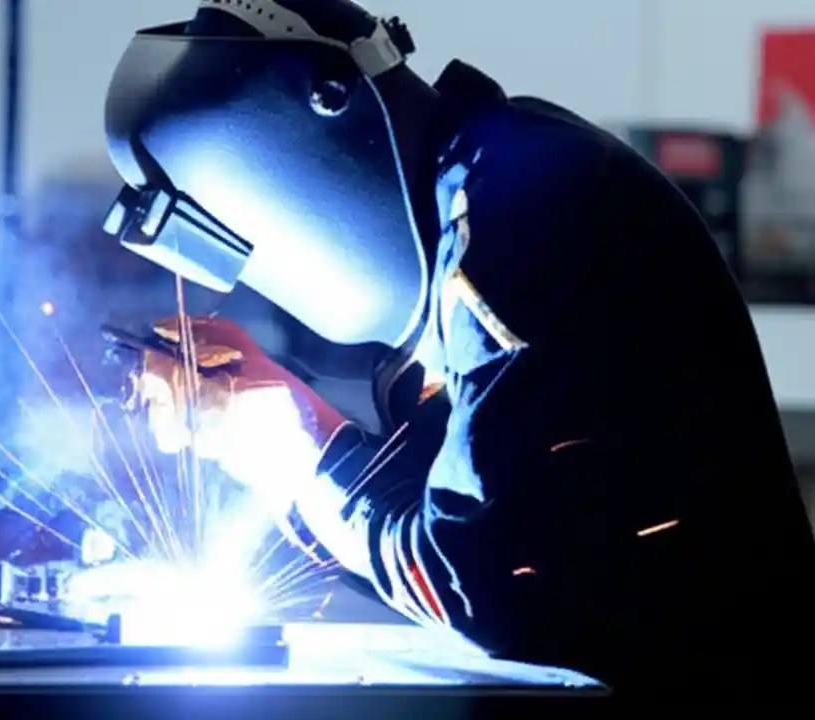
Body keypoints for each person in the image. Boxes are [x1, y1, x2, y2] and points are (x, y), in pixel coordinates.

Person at [99, 0, 815, 697]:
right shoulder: (486, 184)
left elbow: (481, 585)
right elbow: (424, 507)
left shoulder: (516, 212)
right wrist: (279, 442)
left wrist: (289, 439)